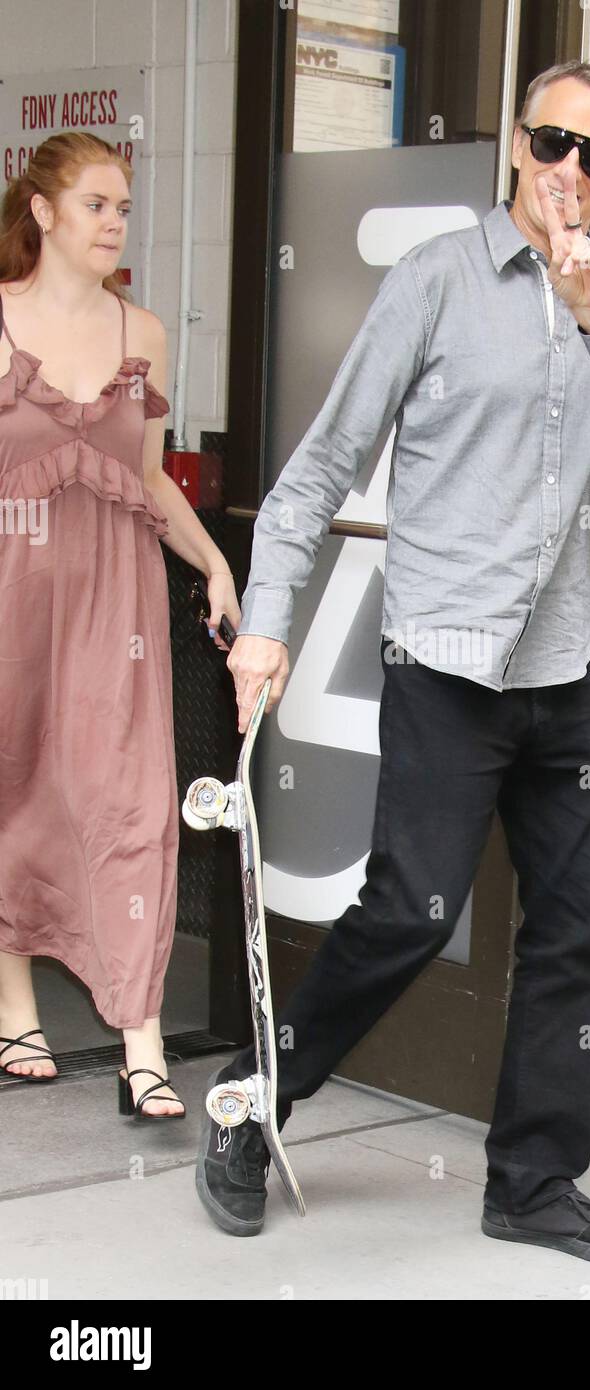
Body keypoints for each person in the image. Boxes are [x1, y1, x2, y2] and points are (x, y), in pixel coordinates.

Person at [195, 60, 590, 1255]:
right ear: (518, 147)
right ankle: (250, 1103)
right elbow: (320, 468)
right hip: (446, 661)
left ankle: (530, 1184)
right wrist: (267, 618)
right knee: (409, 913)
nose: (571, 171)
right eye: (554, 142)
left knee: (578, 930)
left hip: (562, 670)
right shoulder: (432, 279)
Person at [0, 133, 241, 1117]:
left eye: (124, 209)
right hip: (14, 583)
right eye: (95, 204)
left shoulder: (143, 332)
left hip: (116, 595)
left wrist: (218, 562)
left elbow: (145, 480)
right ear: (44, 212)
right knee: (14, 787)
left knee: (132, 801)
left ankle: (141, 1038)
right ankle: (13, 1002)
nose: (113, 223)